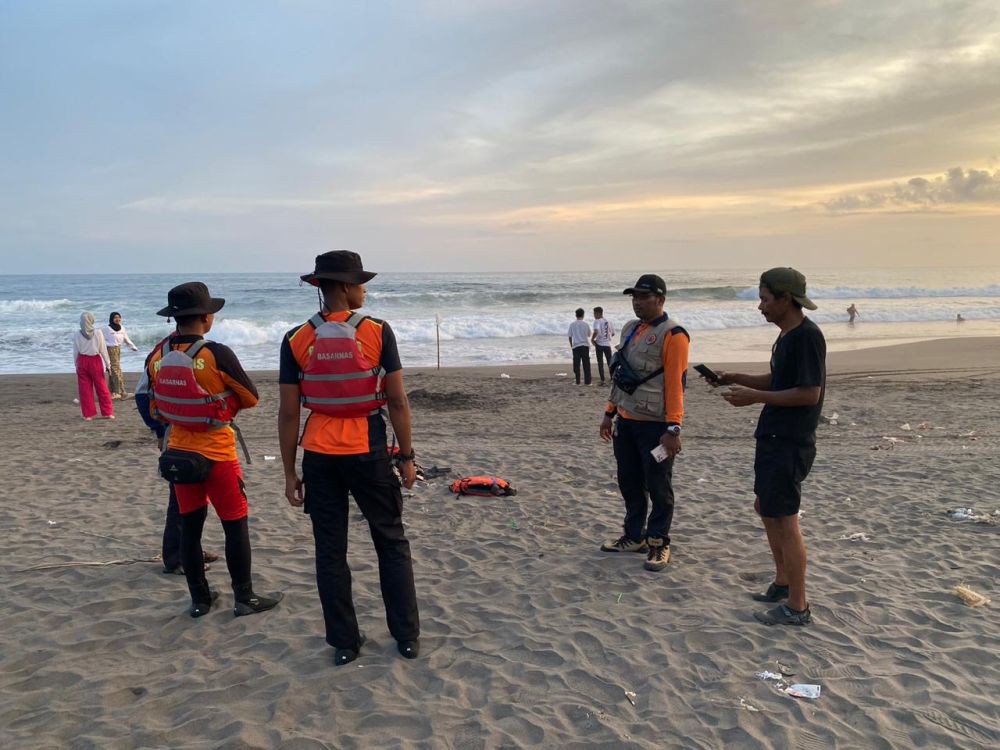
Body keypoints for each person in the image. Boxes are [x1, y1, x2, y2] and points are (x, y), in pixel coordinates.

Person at [279, 251, 420, 666]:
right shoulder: (377, 331)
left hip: (319, 455)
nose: (363, 290)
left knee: (330, 551)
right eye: (360, 283)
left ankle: (344, 642)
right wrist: (407, 457)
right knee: (390, 541)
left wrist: (290, 473)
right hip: (367, 450)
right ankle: (406, 636)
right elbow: (396, 400)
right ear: (343, 286)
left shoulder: (295, 338)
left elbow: (289, 412)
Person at [146, 281, 281, 618]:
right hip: (218, 454)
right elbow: (251, 397)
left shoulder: (157, 357)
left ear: (173, 319)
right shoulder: (216, 353)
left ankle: (199, 600)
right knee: (235, 525)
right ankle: (244, 598)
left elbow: (154, 408)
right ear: (206, 317)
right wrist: (220, 404)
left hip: (177, 453)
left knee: (190, 528)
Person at [710, 267, 825, 627]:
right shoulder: (787, 336)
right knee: (766, 508)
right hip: (773, 437)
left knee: (786, 520)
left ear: (785, 298)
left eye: (764, 299)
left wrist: (754, 397)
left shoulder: (807, 337)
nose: (760, 307)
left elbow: (809, 393)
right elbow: (780, 380)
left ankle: (797, 606)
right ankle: (782, 582)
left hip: (790, 441)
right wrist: (737, 378)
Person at [599, 274, 689, 572]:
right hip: (627, 421)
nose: (637, 302)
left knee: (658, 485)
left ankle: (659, 542)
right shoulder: (629, 329)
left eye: (643, 297)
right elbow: (620, 376)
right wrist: (609, 412)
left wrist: (673, 428)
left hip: (656, 426)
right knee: (629, 481)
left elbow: (676, 384)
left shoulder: (674, 334)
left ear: (660, 299)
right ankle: (634, 535)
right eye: (634, 297)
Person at [135, 345, 218, 576]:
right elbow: (142, 393)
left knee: (199, 498)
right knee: (181, 499)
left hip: (203, 437)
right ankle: (175, 556)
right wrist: (159, 430)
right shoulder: (162, 353)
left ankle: (191, 549)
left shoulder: (200, 351)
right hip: (179, 439)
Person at [72, 312, 114, 421]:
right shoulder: (98, 332)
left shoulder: (77, 334)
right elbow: (103, 349)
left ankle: (88, 414)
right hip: (95, 360)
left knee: (85, 389)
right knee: (102, 387)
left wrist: (76, 364)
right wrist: (108, 364)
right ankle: (107, 412)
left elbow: (75, 351)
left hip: (82, 360)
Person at [102, 312, 139, 399]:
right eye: (115, 317)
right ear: (111, 318)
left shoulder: (122, 328)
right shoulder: (106, 329)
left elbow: (126, 338)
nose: (117, 319)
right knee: (116, 370)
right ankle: (122, 392)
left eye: (119, 317)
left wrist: (133, 347)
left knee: (112, 369)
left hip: (118, 349)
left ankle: (113, 392)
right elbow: (100, 339)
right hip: (110, 350)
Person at [568, 308, 592, 386]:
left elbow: (570, 336)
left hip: (576, 346)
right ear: (583, 315)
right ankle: (587, 382)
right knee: (586, 365)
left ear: (576, 315)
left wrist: (572, 346)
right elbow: (589, 334)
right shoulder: (586, 324)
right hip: (585, 346)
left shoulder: (572, 324)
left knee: (576, 365)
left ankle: (578, 381)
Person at [591, 306, 615, 385]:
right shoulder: (609, 321)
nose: (594, 315)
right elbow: (613, 333)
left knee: (600, 362)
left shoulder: (597, 321)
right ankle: (612, 378)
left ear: (598, 313)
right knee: (609, 362)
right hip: (607, 344)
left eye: (594, 313)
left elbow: (596, 331)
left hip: (599, 344)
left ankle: (603, 380)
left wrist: (592, 339)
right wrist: (606, 336)